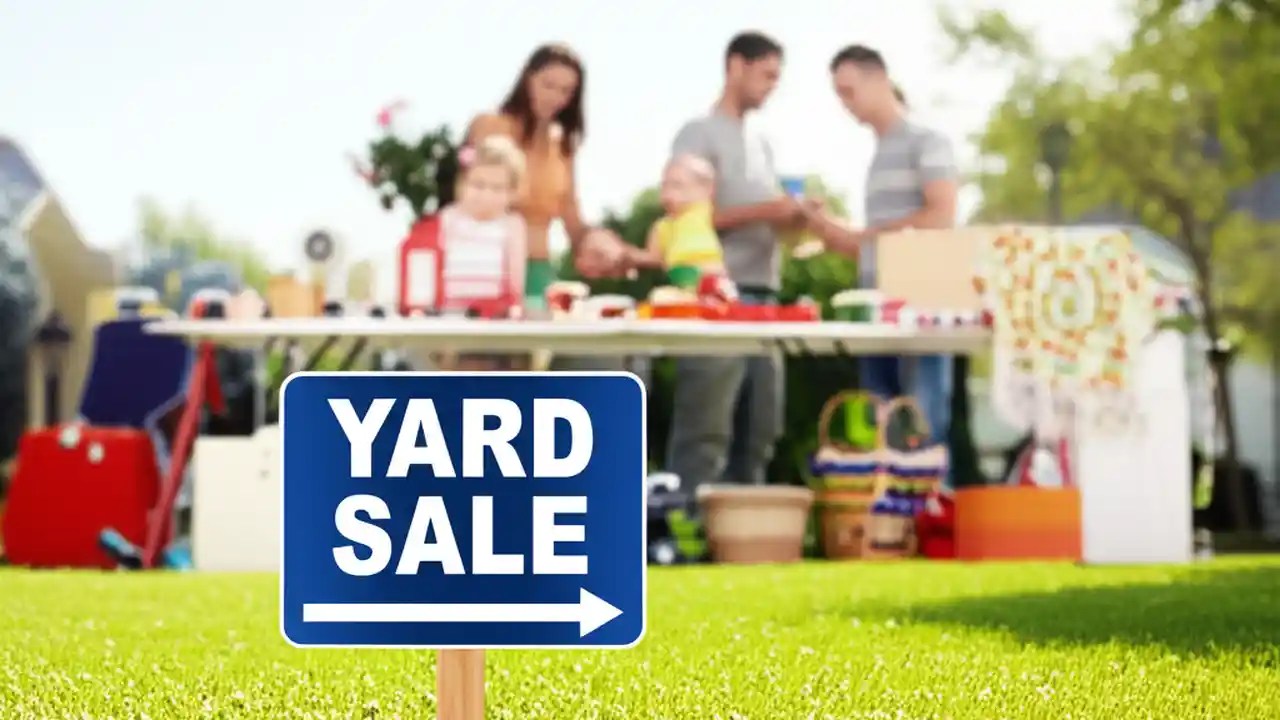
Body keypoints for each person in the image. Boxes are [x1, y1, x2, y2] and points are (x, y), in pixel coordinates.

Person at [643, 31, 807, 500]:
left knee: (761, 429)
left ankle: (742, 539)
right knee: (706, 431)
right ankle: (679, 529)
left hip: (763, 299)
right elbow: (684, 214)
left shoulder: (763, 143)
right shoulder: (698, 133)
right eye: (766, 74)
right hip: (714, 301)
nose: (773, 86)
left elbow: (768, 214)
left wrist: (796, 219)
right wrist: (765, 211)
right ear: (736, 65)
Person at [804, 44, 961, 485]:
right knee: (881, 419)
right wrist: (831, 231)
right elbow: (879, 244)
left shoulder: (926, 139)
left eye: (849, 91)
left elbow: (940, 216)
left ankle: (930, 514)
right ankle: (890, 523)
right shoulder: (879, 154)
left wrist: (863, 237)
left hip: (922, 303)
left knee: (923, 417)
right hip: (877, 305)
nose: (845, 104)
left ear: (880, 80)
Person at [464, 42, 629, 309]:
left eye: (566, 91)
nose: (555, 97)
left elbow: (572, 220)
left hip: (539, 270)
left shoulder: (562, 145)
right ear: (528, 79)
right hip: (489, 266)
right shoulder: (491, 126)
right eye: (548, 85)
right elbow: (470, 197)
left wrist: (600, 245)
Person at [629, 153, 726, 281]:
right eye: (664, 186)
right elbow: (653, 257)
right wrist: (629, 258)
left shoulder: (706, 210)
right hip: (681, 277)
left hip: (713, 274)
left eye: (677, 186)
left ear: (705, 189)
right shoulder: (662, 226)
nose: (668, 193)